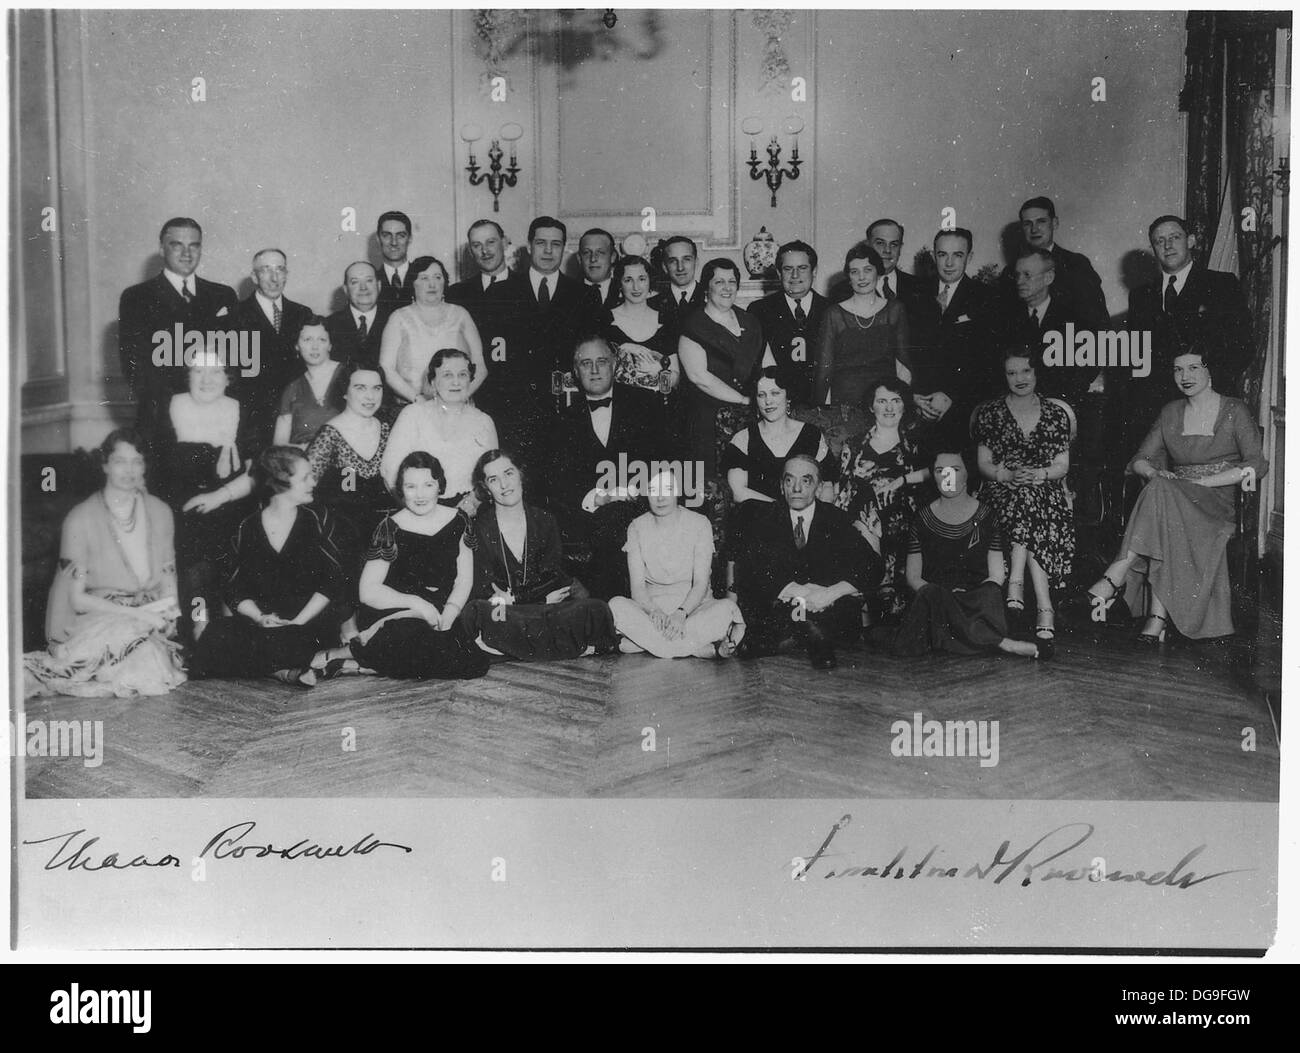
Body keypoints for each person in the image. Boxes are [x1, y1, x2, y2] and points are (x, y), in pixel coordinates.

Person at [1086, 350, 1267, 642]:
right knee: (1159, 489)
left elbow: (1256, 465)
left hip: (1214, 504)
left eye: (1194, 367)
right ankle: (1156, 617)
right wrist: (1156, 473)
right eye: (1178, 369)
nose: (1186, 377)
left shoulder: (1235, 410)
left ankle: (1116, 576)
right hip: (1174, 498)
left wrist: (1206, 481)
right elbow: (1139, 460)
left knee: (1161, 495)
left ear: (1211, 372)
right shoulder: (1170, 411)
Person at [24, 429, 186, 698]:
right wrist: (140, 616)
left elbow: (169, 575)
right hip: (96, 617)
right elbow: (76, 600)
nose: (129, 470)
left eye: (137, 461)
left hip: (148, 614)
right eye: (120, 461)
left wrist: (172, 615)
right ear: (105, 465)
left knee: (151, 660)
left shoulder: (160, 511)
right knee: (141, 663)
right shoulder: (81, 518)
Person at [188, 447, 348, 683]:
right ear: (280, 483)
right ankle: (284, 672)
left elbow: (331, 583)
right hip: (264, 626)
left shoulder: (320, 520)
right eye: (306, 477)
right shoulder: (246, 528)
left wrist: (296, 623)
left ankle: (277, 667)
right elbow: (234, 589)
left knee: (289, 642)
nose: (314, 482)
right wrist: (260, 618)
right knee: (216, 634)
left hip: (308, 623)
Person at [889, 449, 1047, 659]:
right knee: (931, 594)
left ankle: (964, 635)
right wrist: (946, 599)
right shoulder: (923, 518)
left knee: (990, 592)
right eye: (940, 470)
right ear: (933, 476)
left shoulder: (986, 515)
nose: (948, 477)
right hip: (937, 596)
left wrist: (965, 598)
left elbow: (997, 575)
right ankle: (1003, 644)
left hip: (975, 597)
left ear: (966, 473)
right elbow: (913, 577)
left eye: (955, 469)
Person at [344, 451, 490, 680]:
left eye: (428, 485)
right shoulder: (390, 527)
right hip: (396, 610)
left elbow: (464, 580)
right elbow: (368, 591)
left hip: (442, 608)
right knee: (415, 640)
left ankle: (359, 664)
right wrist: (417, 604)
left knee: (473, 663)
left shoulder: (459, 520)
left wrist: (450, 614)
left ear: (439, 486)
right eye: (411, 486)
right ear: (401, 490)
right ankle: (357, 655)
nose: (420, 495)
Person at [461, 450, 618, 660]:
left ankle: (510, 648)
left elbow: (551, 576)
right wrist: (534, 600)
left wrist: (518, 598)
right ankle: (565, 645)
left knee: (596, 609)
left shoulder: (544, 520)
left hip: (542, 608)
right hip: (507, 613)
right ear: (486, 488)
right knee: (480, 612)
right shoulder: (480, 528)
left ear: (520, 475)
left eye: (508, 474)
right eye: (493, 479)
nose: (504, 484)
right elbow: (485, 589)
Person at [545, 335, 670, 599]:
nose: (594, 370)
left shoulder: (647, 405)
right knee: (606, 522)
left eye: (601, 361)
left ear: (614, 365)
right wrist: (599, 498)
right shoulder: (561, 420)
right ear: (575, 371)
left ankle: (611, 613)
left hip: (640, 503)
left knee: (615, 522)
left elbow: (664, 459)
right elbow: (558, 480)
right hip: (589, 512)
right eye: (585, 363)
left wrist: (632, 492)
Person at [735, 454, 881, 669]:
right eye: (789, 480)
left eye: (806, 480)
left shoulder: (836, 519)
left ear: (819, 488)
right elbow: (750, 569)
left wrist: (829, 593)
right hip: (784, 606)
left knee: (830, 614)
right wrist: (799, 593)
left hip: (828, 608)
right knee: (780, 611)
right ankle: (811, 635)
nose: (796, 488)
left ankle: (798, 635)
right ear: (781, 486)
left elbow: (873, 566)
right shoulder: (764, 518)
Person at [151, 352, 258, 642]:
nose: (207, 379)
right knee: (194, 564)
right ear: (187, 376)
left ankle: (231, 628)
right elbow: (155, 472)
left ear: (228, 378)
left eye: (215, 372)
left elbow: (255, 473)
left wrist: (219, 497)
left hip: (232, 504)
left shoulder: (241, 410)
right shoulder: (170, 408)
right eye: (198, 371)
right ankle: (200, 630)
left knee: (233, 557)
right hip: (180, 509)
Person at [974, 349, 1076, 643]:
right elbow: (984, 464)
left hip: (1045, 490)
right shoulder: (991, 413)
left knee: (1030, 495)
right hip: (1001, 491)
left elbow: (1062, 465)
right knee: (1024, 498)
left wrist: (1040, 474)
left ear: (1036, 373)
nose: (1019, 379)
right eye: (1011, 373)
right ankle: (1046, 609)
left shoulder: (1055, 413)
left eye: (1025, 371)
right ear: (1003, 376)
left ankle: (1015, 581)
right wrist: (1005, 475)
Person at [1126, 214, 1254, 442]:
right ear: (1153, 248)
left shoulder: (1221, 284)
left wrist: (1205, 390)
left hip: (1210, 409)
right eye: (1159, 241)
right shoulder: (1140, 296)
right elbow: (1137, 356)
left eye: (1175, 237)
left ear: (1191, 241)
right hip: (1155, 414)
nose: (1167, 246)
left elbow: (1243, 347)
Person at [677, 257, 765, 585]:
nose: (726, 288)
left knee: (746, 494)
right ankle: (707, 581)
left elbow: (763, 367)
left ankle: (744, 580)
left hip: (748, 422)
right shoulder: (694, 325)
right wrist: (744, 400)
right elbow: (700, 377)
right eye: (719, 282)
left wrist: (763, 399)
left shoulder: (750, 322)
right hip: (706, 421)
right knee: (710, 496)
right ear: (707, 287)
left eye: (732, 282)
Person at [118, 217, 237, 443]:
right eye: (177, 245)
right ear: (162, 249)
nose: (186, 253)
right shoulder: (137, 298)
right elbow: (135, 367)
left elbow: (233, 359)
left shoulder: (223, 295)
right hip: (162, 419)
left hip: (216, 417)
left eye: (194, 245)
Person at [608, 470, 746, 659]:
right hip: (652, 614)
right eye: (653, 490)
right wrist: (654, 611)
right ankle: (702, 649)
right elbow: (638, 589)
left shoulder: (699, 523)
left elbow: (700, 583)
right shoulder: (637, 527)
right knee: (615, 605)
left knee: (725, 610)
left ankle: (647, 645)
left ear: (678, 491)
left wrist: (681, 614)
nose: (660, 497)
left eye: (668, 488)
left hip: (694, 609)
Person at [725, 365, 835, 589]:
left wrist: (807, 517)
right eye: (762, 395)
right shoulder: (742, 438)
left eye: (775, 393)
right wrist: (783, 512)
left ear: (787, 397)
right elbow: (739, 492)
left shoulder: (811, 435)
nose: (769, 401)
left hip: (806, 519)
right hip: (762, 521)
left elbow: (828, 486)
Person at [833, 377, 930, 620]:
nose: (889, 408)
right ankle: (879, 583)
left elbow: (937, 473)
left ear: (904, 406)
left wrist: (902, 480)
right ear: (871, 406)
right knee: (865, 493)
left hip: (906, 520)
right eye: (882, 401)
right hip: (864, 525)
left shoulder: (915, 445)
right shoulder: (853, 446)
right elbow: (843, 491)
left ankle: (884, 584)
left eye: (896, 401)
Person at [908, 228, 1004, 448]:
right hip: (918, 408)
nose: (949, 263)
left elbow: (989, 363)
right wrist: (914, 396)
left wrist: (951, 396)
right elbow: (907, 352)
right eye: (942, 255)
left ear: (969, 257)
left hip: (963, 410)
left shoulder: (988, 298)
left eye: (957, 255)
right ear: (934, 256)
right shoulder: (915, 294)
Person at [813, 242, 913, 451]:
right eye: (854, 272)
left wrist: (899, 408)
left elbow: (904, 365)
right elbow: (824, 369)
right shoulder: (833, 314)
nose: (861, 277)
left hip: (883, 404)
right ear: (848, 277)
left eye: (867, 270)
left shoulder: (895, 310)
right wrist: (824, 413)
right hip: (845, 405)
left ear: (878, 272)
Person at [381, 348, 498, 511]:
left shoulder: (484, 422)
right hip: (418, 509)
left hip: (468, 511)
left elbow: (493, 474)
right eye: (447, 375)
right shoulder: (413, 414)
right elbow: (389, 471)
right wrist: (418, 508)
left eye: (462, 374)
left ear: (470, 380)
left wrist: (473, 502)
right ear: (433, 382)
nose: (456, 382)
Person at [305, 359, 396, 565]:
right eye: (360, 388)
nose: (370, 396)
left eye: (377, 388)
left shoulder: (387, 429)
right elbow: (305, 484)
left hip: (383, 532)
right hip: (342, 537)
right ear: (344, 392)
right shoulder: (330, 433)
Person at [230, 248, 314, 445]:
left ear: (286, 274)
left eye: (280, 270)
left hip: (296, 419)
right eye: (266, 270)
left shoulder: (303, 314)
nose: (274, 277)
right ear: (254, 276)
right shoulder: (235, 317)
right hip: (252, 423)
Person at [379, 255, 486, 405]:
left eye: (437, 277)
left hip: (458, 406)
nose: (432, 284)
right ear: (412, 283)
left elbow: (481, 367)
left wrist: (462, 396)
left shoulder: (461, 315)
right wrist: (417, 399)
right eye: (424, 278)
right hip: (412, 406)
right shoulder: (398, 318)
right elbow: (386, 368)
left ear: (445, 282)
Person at [746, 239, 829, 412]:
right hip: (777, 406)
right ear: (778, 273)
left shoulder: (831, 309)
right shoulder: (759, 310)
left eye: (802, 268)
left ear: (814, 271)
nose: (795, 276)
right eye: (788, 269)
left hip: (821, 405)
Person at [1002, 196, 1108, 331]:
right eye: (1028, 224)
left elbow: (1099, 323)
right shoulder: (1010, 272)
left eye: (1041, 221)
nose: (1034, 229)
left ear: (1055, 223)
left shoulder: (1076, 264)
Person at [604, 255, 680, 396]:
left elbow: (675, 380)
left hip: (659, 407)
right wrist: (623, 348)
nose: (636, 287)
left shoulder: (665, 321)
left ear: (649, 281)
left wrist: (658, 370)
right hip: (619, 407)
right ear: (620, 284)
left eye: (642, 279)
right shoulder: (605, 320)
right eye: (628, 280)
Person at [272, 315, 345, 449]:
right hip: (302, 462)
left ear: (330, 345)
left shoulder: (348, 376)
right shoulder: (292, 389)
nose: (315, 346)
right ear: (296, 346)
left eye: (322, 340)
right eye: (307, 339)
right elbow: (279, 447)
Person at [326, 261, 393, 366]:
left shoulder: (395, 320)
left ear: (379, 285)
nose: (363, 287)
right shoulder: (329, 325)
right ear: (346, 290)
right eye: (354, 282)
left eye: (369, 280)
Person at [652, 235, 705, 330]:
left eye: (686, 259)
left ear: (696, 262)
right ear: (665, 267)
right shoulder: (652, 305)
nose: (680, 268)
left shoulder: (711, 298)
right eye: (673, 261)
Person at [375, 210, 416, 308]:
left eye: (401, 236)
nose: (394, 242)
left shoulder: (423, 277)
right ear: (378, 238)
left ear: (410, 238)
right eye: (387, 235)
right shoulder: (372, 280)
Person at [578, 228, 620, 311]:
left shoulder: (626, 290)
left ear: (612, 257)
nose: (593, 259)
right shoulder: (566, 292)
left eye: (600, 252)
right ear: (579, 258)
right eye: (587, 252)